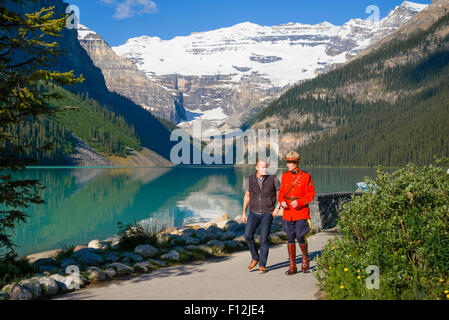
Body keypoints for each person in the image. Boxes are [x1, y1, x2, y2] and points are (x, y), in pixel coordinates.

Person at [278, 151, 316, 275]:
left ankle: (305, 258)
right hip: (288, 211)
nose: (288, 165)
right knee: (290, 237)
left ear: (296, 163)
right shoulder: (284, 176)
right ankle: (292, 266)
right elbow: (282, 191)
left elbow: (310, 194)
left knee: (300, 236)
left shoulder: (306, 176)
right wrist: (282, 201)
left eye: (290, 162)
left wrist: (299, 202)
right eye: (287, 162)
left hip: (301, 212)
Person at [241, 158, 281, 274]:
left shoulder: (273, 179)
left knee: (264, 239)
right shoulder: (250, 179)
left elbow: (283, 193)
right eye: (262, 167)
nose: (264, 169)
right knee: (247, 235)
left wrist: (277, 207)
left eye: (265, 167)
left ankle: (262, 265)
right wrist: (244, 212)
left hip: (267, 213)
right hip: (253, 213)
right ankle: (255, 257)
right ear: (257, 168)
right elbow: (247, 196)